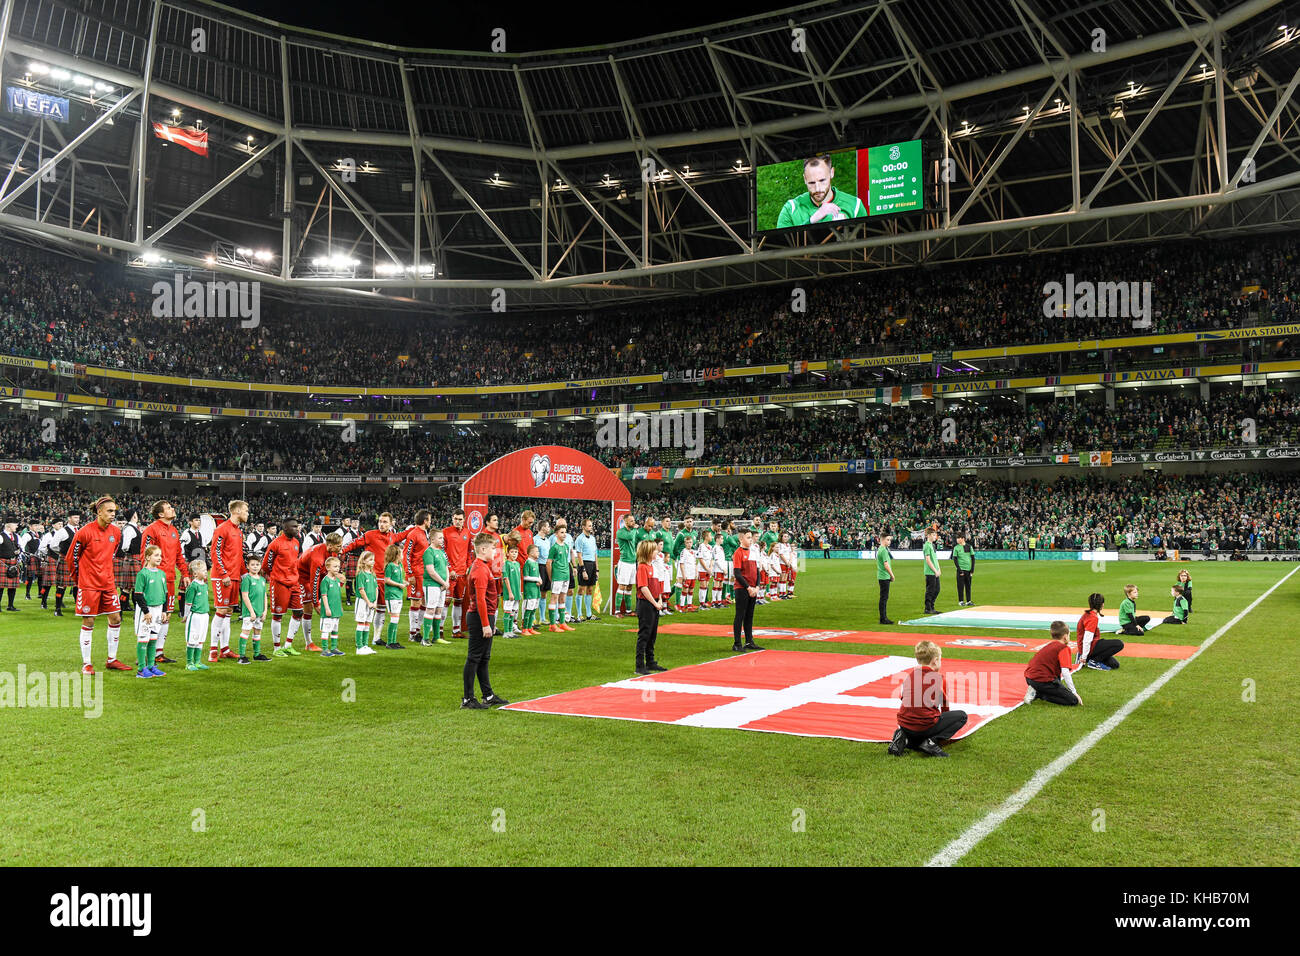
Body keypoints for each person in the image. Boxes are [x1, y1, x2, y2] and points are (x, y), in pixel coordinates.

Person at [65, 497, 129, 674]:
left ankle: (112, 659)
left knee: (116, 619)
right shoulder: (84, 532)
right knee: (89, 621)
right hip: (89, 586)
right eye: (109, 511)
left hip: (108, 584)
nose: (113, 514)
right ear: (99, 511)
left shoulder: (116, 532)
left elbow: (113, 554)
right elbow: (72, 558)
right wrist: (80, 580)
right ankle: (87, 663)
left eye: (114, 511)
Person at [887, 641, 968, 758]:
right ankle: (930, 742)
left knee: (915, 725)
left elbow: (904, 699)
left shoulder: (909, 676)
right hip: (924, 726)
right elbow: (945, 708)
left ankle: (904, 738)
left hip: (904, 724)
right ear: (935, 660)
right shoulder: (939, 679)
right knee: (962, 716)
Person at [462, 532, 510, 710]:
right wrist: (485, 624)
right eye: (491, 548)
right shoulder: (480, 569)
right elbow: (480, 599)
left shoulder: (481, 566)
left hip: (482, 615)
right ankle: (468, 698)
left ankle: (487, 695)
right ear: (482, 549)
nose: (495, 551)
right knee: (474, 658)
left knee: (483, 658)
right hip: (480, 616)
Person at [141, 500, 189, 665]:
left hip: (169, 580)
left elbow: (178, 556)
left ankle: (159, 652)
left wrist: (184, 573)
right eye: (168, 508)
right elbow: (145, 556)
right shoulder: (151, 530)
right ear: (161, 514)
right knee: (151, 616)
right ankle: (145, 653)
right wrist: (147, 578)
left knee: (166, 615)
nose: (172, 509)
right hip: (154, 581)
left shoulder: (174, 531)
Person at [774, 153, 866, 228]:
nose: (817, 189)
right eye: (811, 183)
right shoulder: (791, 209)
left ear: (832, 173)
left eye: (822, 180)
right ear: (805, 179)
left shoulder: (855, 205)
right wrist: (812, 220)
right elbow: (782, 246)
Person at [208, 499, 249, 663]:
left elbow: (238, 556)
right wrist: (223, 573)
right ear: (237, 511)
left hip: (234, 577)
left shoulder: (238, 531)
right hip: (222, 576)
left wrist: (245, 574)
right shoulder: (222, 529)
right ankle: (212, 650)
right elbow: (215, 552)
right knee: (222, 611)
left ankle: (224, 648)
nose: (247, 514)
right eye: (245, 511)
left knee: (229, 612)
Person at [264, 518, 304, 657]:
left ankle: (288, 645)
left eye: (297, 526)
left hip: (294, 582)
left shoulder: (296, 542)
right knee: (278, 615)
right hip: (280, 583)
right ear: (286, 528)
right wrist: (276, 576)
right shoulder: (275, 544)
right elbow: (266, 565)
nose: (297, 529)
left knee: (299, 612)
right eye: (294, 526)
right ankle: (277, 648)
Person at [1023, 621, 1082, 706]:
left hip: (1029, 678)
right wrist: (1074, 692)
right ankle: (1039, 694)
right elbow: (1065, 672)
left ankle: (1036, 689)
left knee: (1056, 680)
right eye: (1069, 634)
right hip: (1042, 681)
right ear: (1065, 637)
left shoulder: (1049, 645)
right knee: (1073, 700)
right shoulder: (1063, 648)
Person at [131, 545, 168, 679]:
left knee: (153, 638)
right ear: (147, 557)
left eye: (160, 555)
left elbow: (165, 593)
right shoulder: (142, 574)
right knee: (144, 638)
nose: (159, 558)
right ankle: (141, 669)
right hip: (146, 611)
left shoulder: (161, 573)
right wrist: (146, 612)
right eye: (156, 555)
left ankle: (151, 666)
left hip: (158, 610)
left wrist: (164, 610)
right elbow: (138, 595)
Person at [634, 539, 666, 675]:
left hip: (654, 603)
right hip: (646, 604)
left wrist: (659, 599)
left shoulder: (652, 567)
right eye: (654, 550)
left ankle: (651, 661)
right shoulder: (642, 567)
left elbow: (656, 586)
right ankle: (640, 665)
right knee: (644, 634)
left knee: (652, 634)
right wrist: (655, 602)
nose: (656, 552)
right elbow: (644, 588)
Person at [731, 527, 762, 653]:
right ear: (741, 538)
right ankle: (737, 643)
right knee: (740, 615)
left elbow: (757, 570)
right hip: (742, 588)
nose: (751, 540)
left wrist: (757, 586)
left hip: (753, 588)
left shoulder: (753, 552)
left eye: (751, 537)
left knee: (749, 615)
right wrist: (748, 587)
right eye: (748, 537)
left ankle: (749, 641)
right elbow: (737, 573)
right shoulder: (738, 552)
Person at [421, 528, 452, 645]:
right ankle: (425, 638)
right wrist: (444, 583)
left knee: (439, 609)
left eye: (442, 538)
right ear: (432, 539)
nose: (442, 540)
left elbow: (446, 568)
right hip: (432, 584)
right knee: (430, 609)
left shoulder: (442, 552)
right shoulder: (428, 552)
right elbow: (431, 571)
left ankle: (436, 637)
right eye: (440, 538)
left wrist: (447, 581)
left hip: (442, 585)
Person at [1077, 592, 1124, 671]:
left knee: (1115, 664)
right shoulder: (1092, 618)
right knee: (1119, 644)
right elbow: (1087, 639)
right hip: (1089, 647)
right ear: (1102, 604)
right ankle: (1093, 661)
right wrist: (1084, 656)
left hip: (1087, 647)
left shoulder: (1087, 614)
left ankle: (1090, 658)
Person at [237, 554, 270, 663]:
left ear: (260, 566)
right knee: (246, 631)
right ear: (248, 566)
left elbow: (264, 595)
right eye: (252, 565)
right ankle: (241, 656)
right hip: (249, 613)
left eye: (257, 564)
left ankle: (257, 654)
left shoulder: (262, 580)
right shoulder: (247, 579)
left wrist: (265, 611)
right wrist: (251, 612)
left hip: (260, 612)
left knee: (257, 632)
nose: (255, 567)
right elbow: (245, 596)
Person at [546, 521, 576, 632]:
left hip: (565, 575)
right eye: (562, 532)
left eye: (565, 532)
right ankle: (552, 625)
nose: (564, 534)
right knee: (554, 598)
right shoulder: (554, 548)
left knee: (563, 598)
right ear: (556, 534)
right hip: (557, 576)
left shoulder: (567, 546)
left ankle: (562, 623)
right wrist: (551, 577)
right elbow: (548, 563)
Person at [182, 558, 211, 671]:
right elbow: (188, 603)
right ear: (195, 573)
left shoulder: (204, 585)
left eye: (205, 570)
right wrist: (186, 615)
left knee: (200, 639)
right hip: (195, 616)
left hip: (204, 615)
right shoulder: (193, 586)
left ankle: (197, 661)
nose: (205, 572)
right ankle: (189, 663)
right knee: (192, 639)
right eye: (203, 570)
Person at [352, 551, 379, 656]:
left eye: (373, 559)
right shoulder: (361, 574)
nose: (373, 562)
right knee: (361, 623)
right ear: (363, 561)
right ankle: (359, 647)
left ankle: (365, 645)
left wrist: (375, 602)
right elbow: (361, 590)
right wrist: (368, 602)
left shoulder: (372, 574)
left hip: (372, 602)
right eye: (370, 560)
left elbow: (376, 588)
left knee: (368, 623)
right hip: (363, 602)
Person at [318, 555, 344, 656]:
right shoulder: (325, 581)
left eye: (338, 566)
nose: (337, 569)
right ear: (328, 568)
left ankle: (334, 648)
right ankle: (325, 650)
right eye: (335, 566)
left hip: (336, 610)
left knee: (335, 629)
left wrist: (340, 606)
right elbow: (324, 596)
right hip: (328, 611)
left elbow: (337, 595)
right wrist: (327, 608)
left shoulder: (337, 580)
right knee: (326, 629)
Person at [381, 543, 405, 650]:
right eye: (401, 553)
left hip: (398, 594)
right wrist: (399, 585)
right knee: (394, 618)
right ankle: (390, 642)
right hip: (392, 595)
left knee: (396, 618)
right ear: (396, 555)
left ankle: (394, 641)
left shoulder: (399, 566)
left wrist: (404, 582)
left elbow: (398, 580)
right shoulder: (390, 566)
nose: (402, 555)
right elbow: (387, 580)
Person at [614, 513, 638, 617]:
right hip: (624, 563)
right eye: (631, 521)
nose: (634, 522)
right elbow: (630, 536)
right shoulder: (620, 532)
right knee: (622, 586)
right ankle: (617, 611)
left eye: (634, 520)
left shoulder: (633, 531)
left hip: (633, 562)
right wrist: (635, 529)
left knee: (629, 587)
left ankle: (628, 611)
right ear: (626, 522)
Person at [574, 518, 599, 621]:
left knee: (589, 590)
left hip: (592, 565)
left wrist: (597, 569)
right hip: (584, 564)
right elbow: (579, 555)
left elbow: (595, 554)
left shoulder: (593, 539)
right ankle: (579, 614)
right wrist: (583, 570)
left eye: (591, 525)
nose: (591, 527)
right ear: (583, 527)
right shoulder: (580, 539)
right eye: (589, 525)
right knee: (581, 589)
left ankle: (589, 614)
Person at [500, 538, 522, 638]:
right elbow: (506, 578)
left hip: (516, 592)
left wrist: (519, 591)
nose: (514, 554)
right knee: (507, 611)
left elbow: (519, 579)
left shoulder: (517, 564)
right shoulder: (506, 564)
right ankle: (506, 632)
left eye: (516, 552)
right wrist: (510, 592)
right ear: (507, 553)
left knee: (513, 612)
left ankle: (510, 631)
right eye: (512, 552)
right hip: (510, 593)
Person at [521, 544, 542, 635]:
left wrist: (540, 579)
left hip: (536, 589)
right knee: (528, 609)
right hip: (530, 590)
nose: (538, 553)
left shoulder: (536, 563)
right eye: (537, 551)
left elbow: (537, 575)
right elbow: (525, 577)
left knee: (534, 609)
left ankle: (530, 627)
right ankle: (524, 628)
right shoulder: (528, 563)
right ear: (530, 553)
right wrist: (537, 579)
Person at [875, 530, 895, 625]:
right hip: (884, 577)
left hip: (881, 576)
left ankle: (883, 617)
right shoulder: (883, 550)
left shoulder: (881, 549)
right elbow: (886, 564)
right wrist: (892, 575)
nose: (889, 541)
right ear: (882, 540)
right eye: (888, 540)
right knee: (884, 598)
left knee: (883, 597)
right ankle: (883, 618)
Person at [952, 532, 975, 606]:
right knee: (960, 586)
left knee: (968, 586)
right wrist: (959, 570)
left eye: (958, 538)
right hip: (961, 570)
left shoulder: (969, 546)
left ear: (963, 538)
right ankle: (961, 601)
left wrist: (972, 570)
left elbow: (973, 558)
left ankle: (968, 601)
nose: (957, 540)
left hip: (968, 570)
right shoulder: (956, 548)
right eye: (957, 538)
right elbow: (955, 560)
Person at [922, 527, 941, 614]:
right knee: (930, 590)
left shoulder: (932, 545)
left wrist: (939, 569)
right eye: (933, 535)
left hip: (935, 571)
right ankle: (928, 608)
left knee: (937, 589)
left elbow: (935, 559)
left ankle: (931, 607)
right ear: (929, 535)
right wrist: (935, 570)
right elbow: (928, 560)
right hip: (930, 572)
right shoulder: (926, 545)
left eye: (935, 535)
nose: (935, 536)